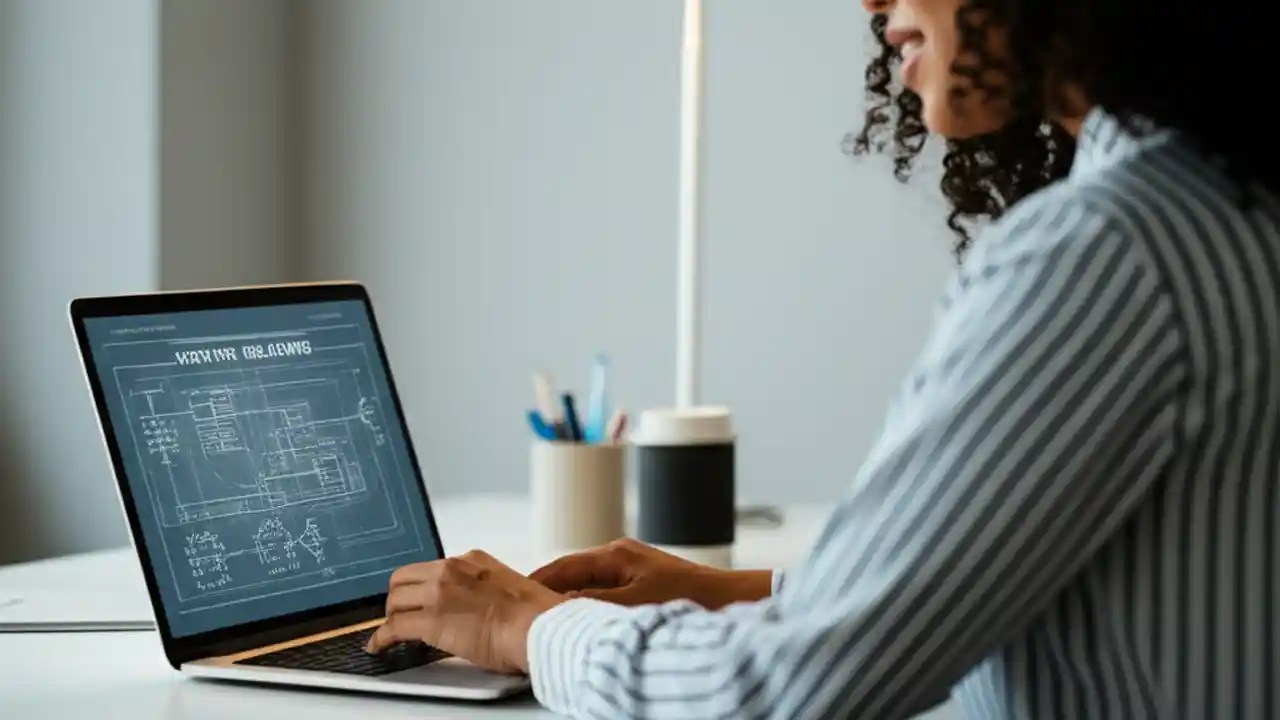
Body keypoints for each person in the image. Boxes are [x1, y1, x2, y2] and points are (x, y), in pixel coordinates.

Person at [367, 1, 1280, 717]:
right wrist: (742, 592)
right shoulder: (1225, 212)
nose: (871, 0)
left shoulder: (1103, 253)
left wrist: (523, 626)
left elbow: (790, 690)